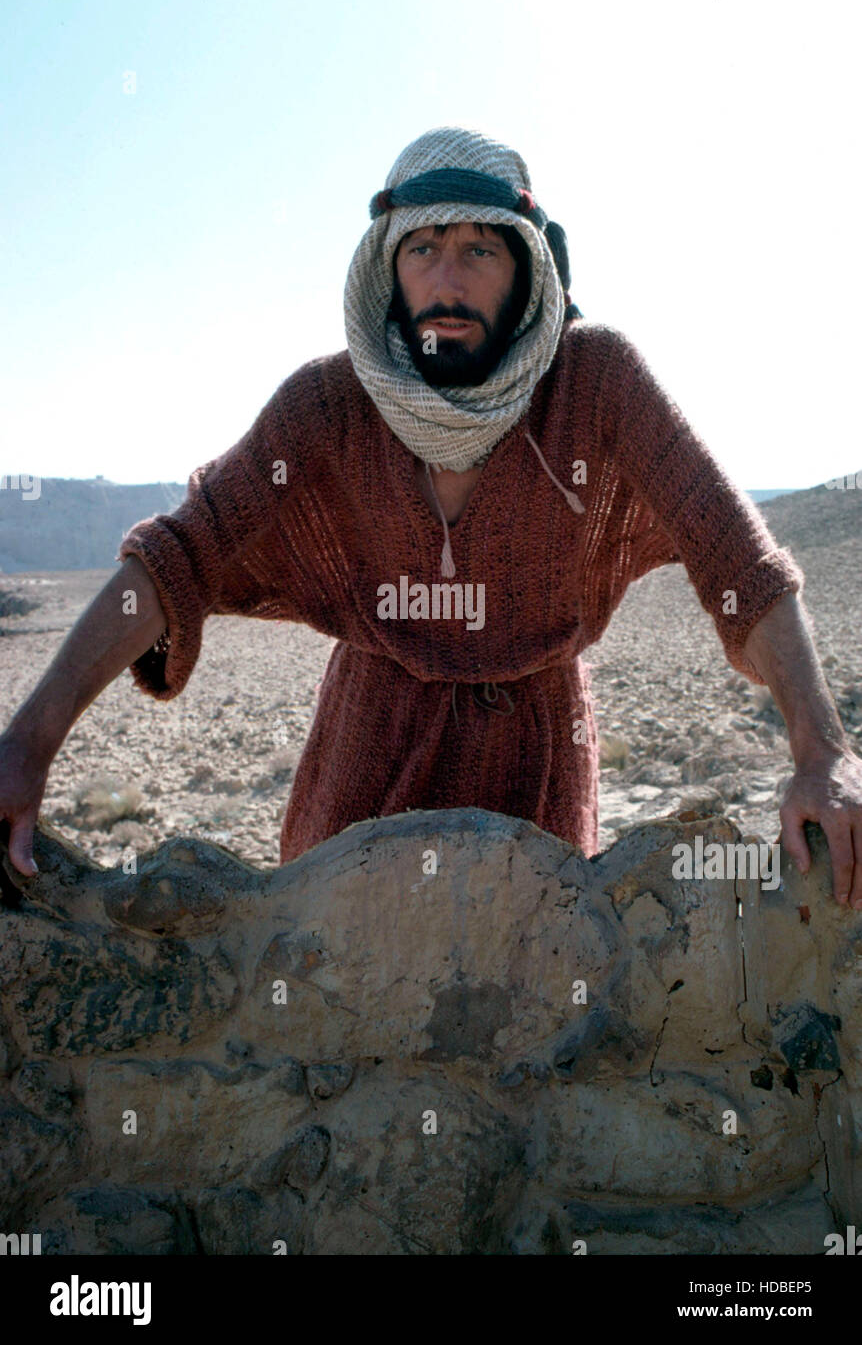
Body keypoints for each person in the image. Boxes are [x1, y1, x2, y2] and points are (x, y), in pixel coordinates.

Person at [2, 126, 861, 907]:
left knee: (532, 1007)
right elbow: (172, 562)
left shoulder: (597, 383)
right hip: (362, 762)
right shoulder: (326, 405)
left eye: (479, 249)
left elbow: (738, 561)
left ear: (529, 270)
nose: (448, 281)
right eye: (423, 248)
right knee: (333, 1010)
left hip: (538, 766)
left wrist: (822, 754)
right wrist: (28, 746)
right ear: (388, 268)